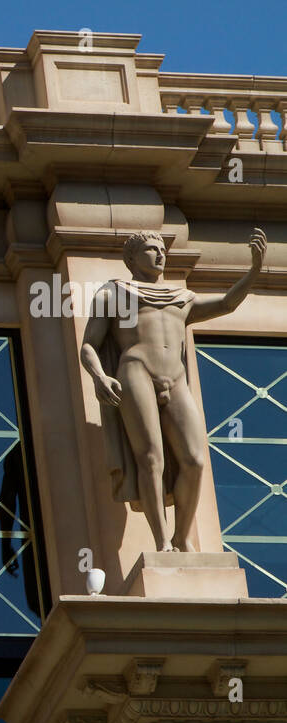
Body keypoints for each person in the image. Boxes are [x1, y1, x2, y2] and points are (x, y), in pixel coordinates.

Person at [80, 228, 265, 552]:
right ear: (132, 259)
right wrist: (99, 376)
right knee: (151, 458)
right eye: (151, 249)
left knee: (194, 460)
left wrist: (253, 272)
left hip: (175, 378)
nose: (160, 254)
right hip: (136, 370)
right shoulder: (114, 293)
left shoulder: (182, 297)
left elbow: (226, 303)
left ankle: (181, 535)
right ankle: (163, 541)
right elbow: (89, 346)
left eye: (162, 249)